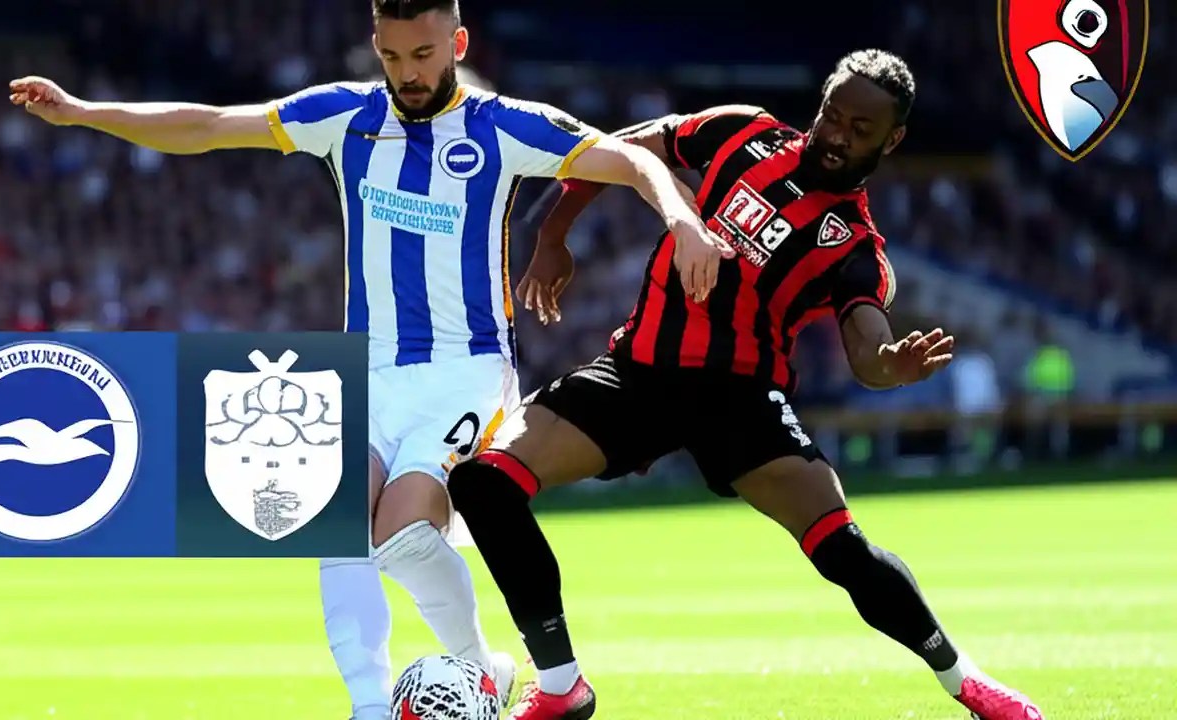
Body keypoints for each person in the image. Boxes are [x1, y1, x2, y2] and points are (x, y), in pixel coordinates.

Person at [6, 1, 733, 718]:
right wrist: (85, 112)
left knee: (402, 534)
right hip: (370, 374)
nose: (406, 73)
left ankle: (483, 669)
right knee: (338, 524)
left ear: (457, 44)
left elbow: (629, 157)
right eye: (391, 56)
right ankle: (368, 708)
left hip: (467, 370)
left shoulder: (503, 125)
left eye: (422, 55)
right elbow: (211, 125)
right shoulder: (344, 116)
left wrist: (682, 220)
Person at [447, 49, 1045, 720]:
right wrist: (554, 234)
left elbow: (868, 347)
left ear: (892, 139)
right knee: (482, 482)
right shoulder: (742, 131)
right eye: (833, 115)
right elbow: (617, 152)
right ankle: (562, 686)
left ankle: (967, 682)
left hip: (739, 402)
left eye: (861, 130)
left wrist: (890, 365)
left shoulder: (854, 244)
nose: (838, 136)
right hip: (637, 374)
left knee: (842, 550)